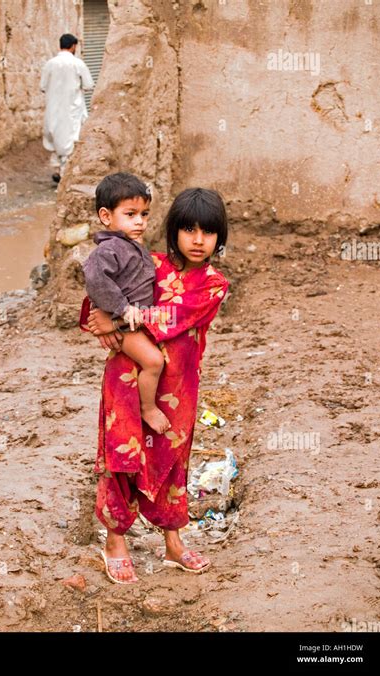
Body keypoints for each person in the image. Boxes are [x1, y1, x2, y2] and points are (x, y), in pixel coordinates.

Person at [80, 187, 230, 584]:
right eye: (189, 230)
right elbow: (98, 294)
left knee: (171, 461)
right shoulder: (149, 263)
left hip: (177, 388)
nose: (198, 240)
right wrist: (100, 316)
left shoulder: (214, 284)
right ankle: (115, 541)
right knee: (121, 459)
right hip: (125, 380)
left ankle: (173, 543)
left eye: (209, 233)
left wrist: (115, 320)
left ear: (220, 238)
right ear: (173, 232)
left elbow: (171, 317)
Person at [82, 173, 171, 435]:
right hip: (126, 326)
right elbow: (95, 279)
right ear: (106, 216)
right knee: (154, 362)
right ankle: (148, 408)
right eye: (130, 214)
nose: (140, 222)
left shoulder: (129, 244)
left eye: (144, 214)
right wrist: (121, 308)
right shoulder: (109, 250)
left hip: (135, 321)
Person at [40, 33, 94, 183]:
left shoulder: (50, 64)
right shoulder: (78, 64)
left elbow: (43, 86)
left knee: (55, 138)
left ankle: (57, 169)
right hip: (72, 110)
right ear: (73, 46)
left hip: (53, 109)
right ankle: (64, 175)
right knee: (69, 140)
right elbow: (89, 85)